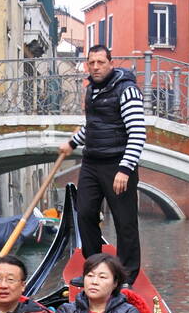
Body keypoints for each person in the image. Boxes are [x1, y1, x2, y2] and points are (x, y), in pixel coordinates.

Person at [59, 45, 147, 282]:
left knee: (124, 222)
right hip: (91, 162)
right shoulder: (92, 90)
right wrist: (72, 143)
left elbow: (138, 132)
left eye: (100, 62)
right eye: (91, 63)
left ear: (110, 63)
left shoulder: (127, 90)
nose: (96, 67)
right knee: (85, 213)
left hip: (117, 163)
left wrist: (125, 169)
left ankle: (126, 275)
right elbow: (94, 125)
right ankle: (95, 270)